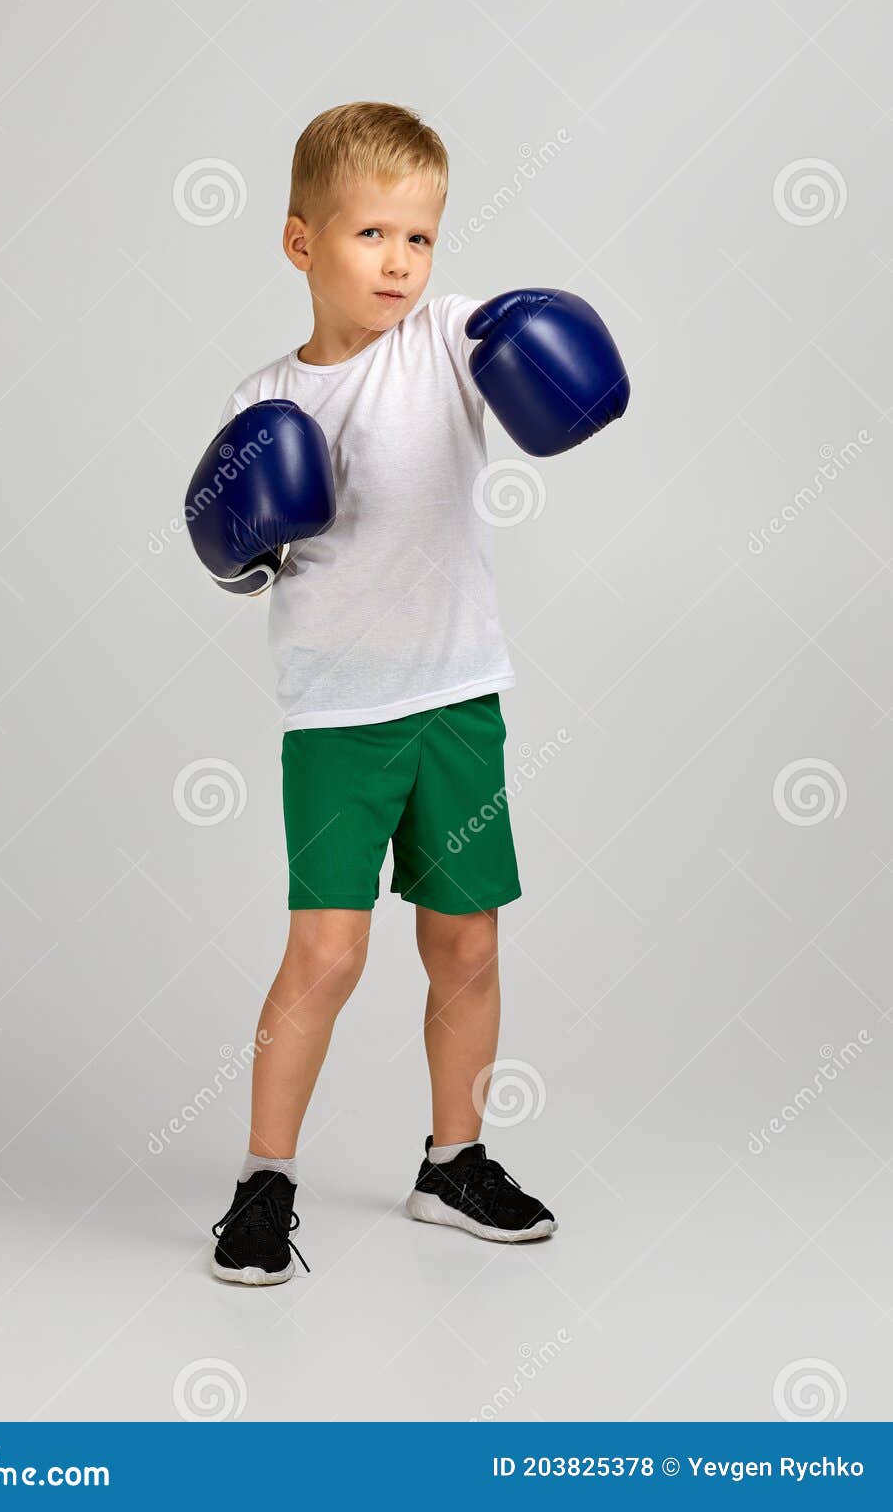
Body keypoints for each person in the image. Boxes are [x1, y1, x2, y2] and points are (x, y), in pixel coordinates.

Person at [186, 101, 629, 1284]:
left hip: (457, 699)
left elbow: (539, 380)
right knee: (326, 955)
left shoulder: (447, 338)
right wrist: (234, 542)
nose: (398, 262)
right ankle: (263, 1182)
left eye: (419, 237)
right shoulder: (265, 398)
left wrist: (552, 360)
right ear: (301, 242)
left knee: (466, 944)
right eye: (370, 233)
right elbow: (238, 563)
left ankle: (453, 1160)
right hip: (337, 719)